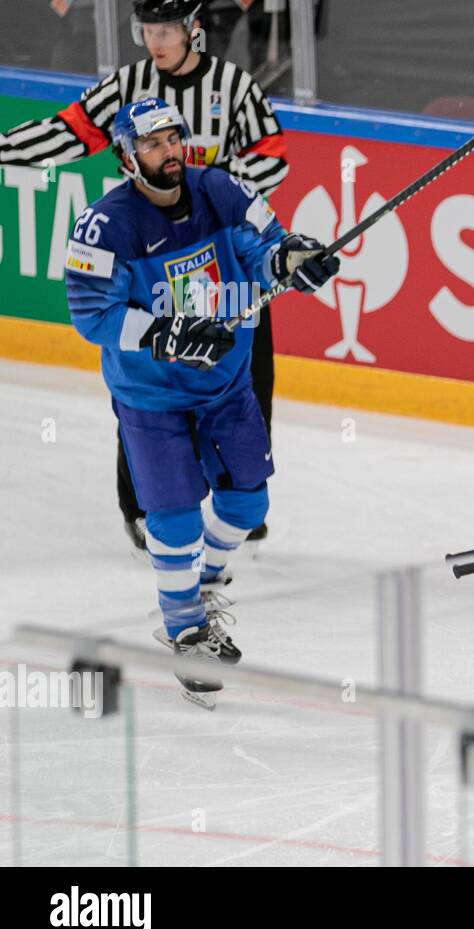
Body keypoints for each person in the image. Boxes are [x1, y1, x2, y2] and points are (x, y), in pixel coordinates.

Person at [63, 98, 337, 708]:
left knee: (246, 504)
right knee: (174, 517)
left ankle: (204, 580)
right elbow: (91, 315)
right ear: (127, 157)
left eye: (173, 139)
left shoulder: (219, 188)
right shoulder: (106, 225)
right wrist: (164, 333)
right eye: (153, 144)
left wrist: (294, 261)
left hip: (225, 386)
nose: (168, 152)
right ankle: (185, 627)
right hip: (152, 397)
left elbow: (263, 249)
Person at [1, 0, 290, 552]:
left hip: (223, 256)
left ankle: (238, 490)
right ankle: (143, 504)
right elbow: (70, 132)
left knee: (247, 379)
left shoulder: (233, 85)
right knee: (144, 385)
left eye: (166, 30)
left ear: (194, 31)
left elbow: (272, 154)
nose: (155, 42)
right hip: (151, 261)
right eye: (147, 30)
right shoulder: (127, 83)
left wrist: (217, 194)